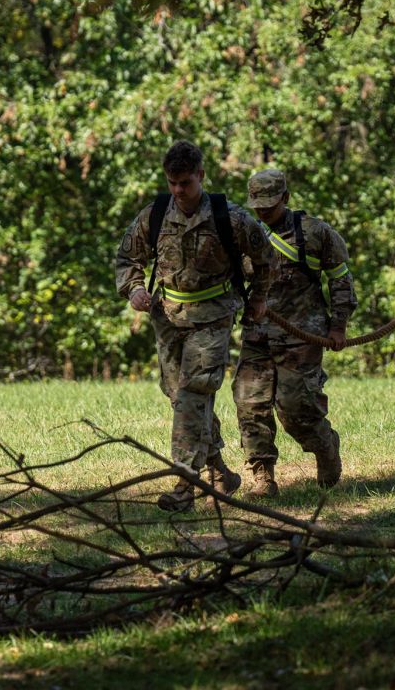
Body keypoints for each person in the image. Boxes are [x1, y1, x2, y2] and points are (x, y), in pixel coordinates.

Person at [115, 141, 271, 512]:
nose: (178, 190)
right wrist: (135, 289)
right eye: (172, 182)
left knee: (192, 395)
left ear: (200, 175)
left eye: (184, 182)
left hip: (212, 316)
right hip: (167, 317)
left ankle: (185, 484)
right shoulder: (153, 216)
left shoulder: (229, 217)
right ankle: (220, 471)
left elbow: (265, 257)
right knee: (178, 396)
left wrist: (260, 298)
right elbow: (127, 257)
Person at [232, 169, 356, 496]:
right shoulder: (243, 234)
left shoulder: (316, 233)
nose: (262, 211)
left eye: (269, 205)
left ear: (285, 198)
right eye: (257, 205)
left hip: (302, 334)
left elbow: (341, 278)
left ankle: (324, 444)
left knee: (294, 406)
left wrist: (338, 324)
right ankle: (263, 477)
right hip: (257, 335)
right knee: (250, 404)